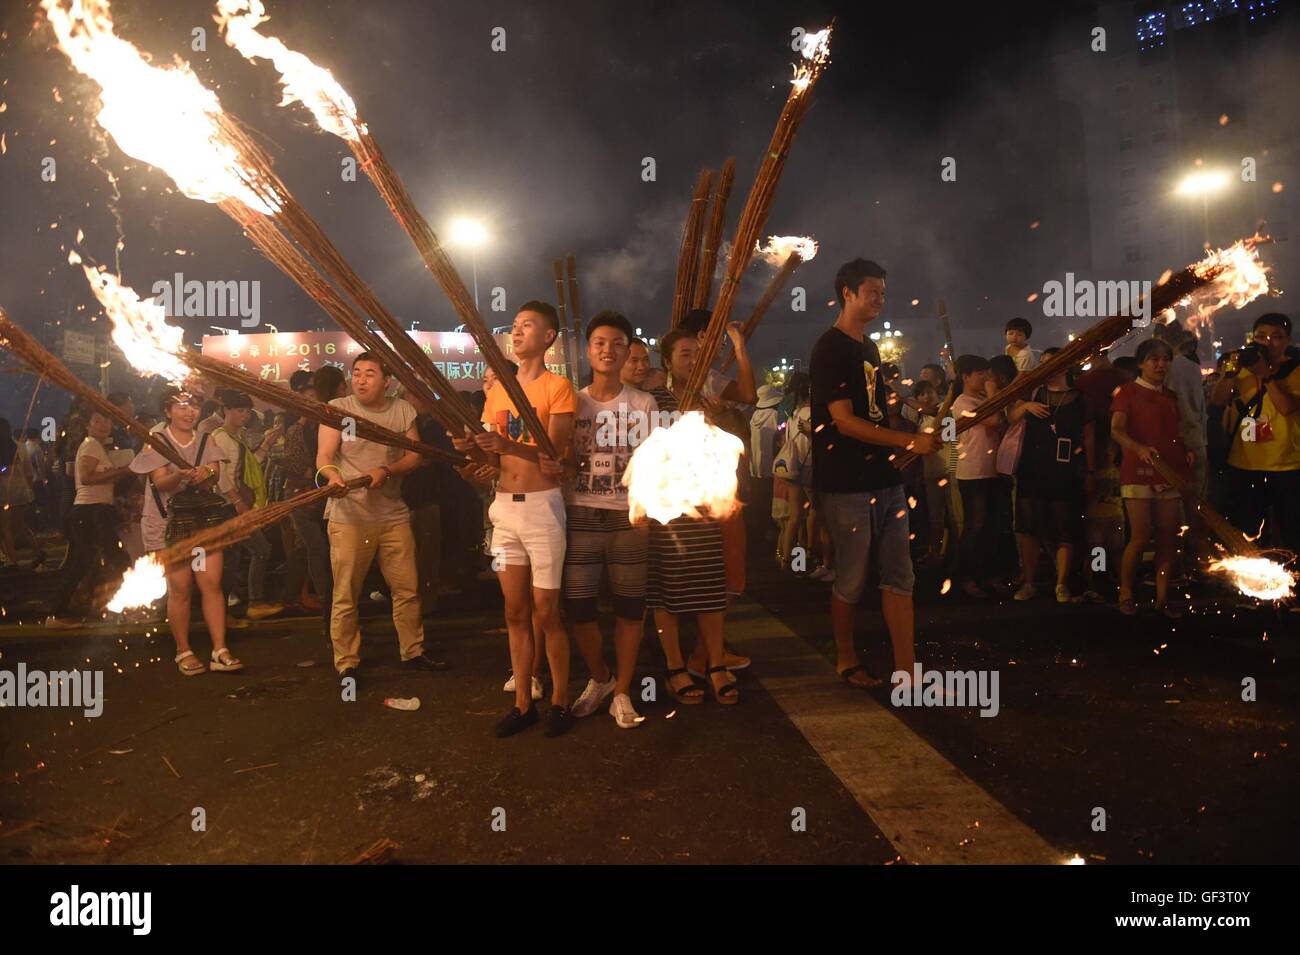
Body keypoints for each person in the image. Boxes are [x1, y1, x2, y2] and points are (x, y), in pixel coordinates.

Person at [810, 259, 939, 690]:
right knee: (850, 577)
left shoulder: (868, 347)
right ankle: (846, 657)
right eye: (873, 292)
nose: (881, 300)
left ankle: (907, 668)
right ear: (847, 293)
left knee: (901, 574)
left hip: (885, 480)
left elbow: (875, 403)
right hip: (845, 482)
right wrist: (906, 443)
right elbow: (844, 422)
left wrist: (910, 414)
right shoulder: (829, 348)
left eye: (883, 292)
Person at [453, 302, 577, 737]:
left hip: (543, 509)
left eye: (529, 326)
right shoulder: (498, 391)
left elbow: (556, 455)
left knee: (548, 611)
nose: (518, 332)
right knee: (514, 610)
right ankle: (523, 702)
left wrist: (504, 443)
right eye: (516, 325)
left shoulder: (558, 388)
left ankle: (560, 699)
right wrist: (471, 447)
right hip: (504, 511)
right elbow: (491, 455)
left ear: (548, 338)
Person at [317, 352, 447, 685]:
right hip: (349, 516)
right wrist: (333, 478)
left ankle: (413, 651)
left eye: (370, 374)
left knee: (407, 588)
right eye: (357, 373)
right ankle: (346, 661)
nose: (361, 379)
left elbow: (414, 454)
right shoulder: (338, 408)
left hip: (392, 514)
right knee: (346, 591)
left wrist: (386, 470)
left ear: (386, 381)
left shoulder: (401, 409)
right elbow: (325, 456)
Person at [561, 311, 658, 729]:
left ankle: (622, 694)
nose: (608, 350)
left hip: (626, 517)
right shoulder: (572, 401)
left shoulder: (642, 404)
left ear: (627, 351)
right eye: (600, 342)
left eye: (617, 343)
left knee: (629, 609)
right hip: (579, 513)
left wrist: (647, 510)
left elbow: (654, 462)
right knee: (579, 607)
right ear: (588, 349)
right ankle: (600, 677)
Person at [645, 328, 741, 704]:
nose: (693, 360)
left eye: (698, 353)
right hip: (666, 506)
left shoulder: (711, 397)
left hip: (703, 504)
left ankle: (714, 664)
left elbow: (734, 443)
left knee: (710, 586)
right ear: (668, 361)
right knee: (664, 589)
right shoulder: (652, 398)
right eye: (685, 354)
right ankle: (675, 666)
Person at [130, 390, 241, 675]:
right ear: (168, 411)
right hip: (167, 527)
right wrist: (179, 476)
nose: (188, 411)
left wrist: (207, 474)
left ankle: (220, 649)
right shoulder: (157, 442)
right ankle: (183, 650)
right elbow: (160, 483)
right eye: (181, 406)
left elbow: (215, 476)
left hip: (202, 526)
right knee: (180, 589)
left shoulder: (207, 439)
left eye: (193, 406)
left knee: (211, 584)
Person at [1110, 339, 1193, 617]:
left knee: (1169, 537)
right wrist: (1139, 448)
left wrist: (1187, 453)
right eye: (1154, 359)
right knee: (1141, 535)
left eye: (1165, 359)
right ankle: (1126, 592)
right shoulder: (1128, 392)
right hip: (1138, 472)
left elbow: (1175, 433)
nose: (1160, 364)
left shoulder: (1170, 396)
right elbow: (1116, 430)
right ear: (1141, 363)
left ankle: (1161, 597)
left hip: (1170, 471)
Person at [1209, 313, 1299, 555]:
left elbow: (1287, 407)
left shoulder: (1295, 369)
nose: (1267, 342)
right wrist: (1230, 374)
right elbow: (1216, 402)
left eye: (1276, 337)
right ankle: (1248, 583)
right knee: (1245, 529)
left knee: (1292, 529)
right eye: (1261, 336)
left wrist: (1265, 375)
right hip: (1244, 461)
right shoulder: (1242, 369)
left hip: (1287, 463)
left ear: (1287, 340)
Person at [1007, 347, 1093, 602]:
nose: (1044, 368)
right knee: (1029, 528)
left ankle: (1061, 583)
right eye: (1041, 363)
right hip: (1032, 468)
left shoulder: (1080, 398)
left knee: (1065, 527)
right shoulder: (1033, 393)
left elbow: (1088, 436)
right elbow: (1010, 419)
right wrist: (1026, 406)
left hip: (1066, 471)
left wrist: (1091, 469)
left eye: (1050, 364)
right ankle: (1030, 582)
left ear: (1065, 367)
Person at [44, 410, 135, 628]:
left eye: (107, 420)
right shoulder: (91, 444)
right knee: (114, 560)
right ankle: (60, 613)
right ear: (88, 425)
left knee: (90, 562)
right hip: (90, 511)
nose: (104, 424)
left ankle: (65, 612)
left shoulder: (95, 445)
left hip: (93, 511)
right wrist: (123, 470)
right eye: (97, 421)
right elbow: (86, 477)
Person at [210, 390, 283, 620]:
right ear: (226, 411)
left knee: (235, 557)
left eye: (247, 411)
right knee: (256, 550)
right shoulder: (221, 437)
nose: (244, 415)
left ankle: (230, 608)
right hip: (228, 507)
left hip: (234, 506)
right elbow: (221, 476)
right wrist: (238, 502)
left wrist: (266, 444)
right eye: (239, 411)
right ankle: (250, 602)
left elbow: (250, 465)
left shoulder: (237, 436)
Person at [951, 355, 1004, 598]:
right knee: (975, 525)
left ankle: (988, 574)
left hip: (992, 470)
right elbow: (994, 419)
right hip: (972, 472)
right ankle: (966, 577)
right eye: (981, 374)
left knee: (991, 526)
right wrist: (993, 392)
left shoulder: (980, 399)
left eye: (987, 373)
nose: (986, 378)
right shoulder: (962, 403)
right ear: (966, 377)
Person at [0, 418, 46, 570]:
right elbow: (28, 471)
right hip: (20, 491)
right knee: (20, 524)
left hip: (3, 491)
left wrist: (3, 470)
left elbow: (4, 470)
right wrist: (28, 487)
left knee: (5, 527)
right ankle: (37, 551)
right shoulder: (20, 447)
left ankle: (12, 560)